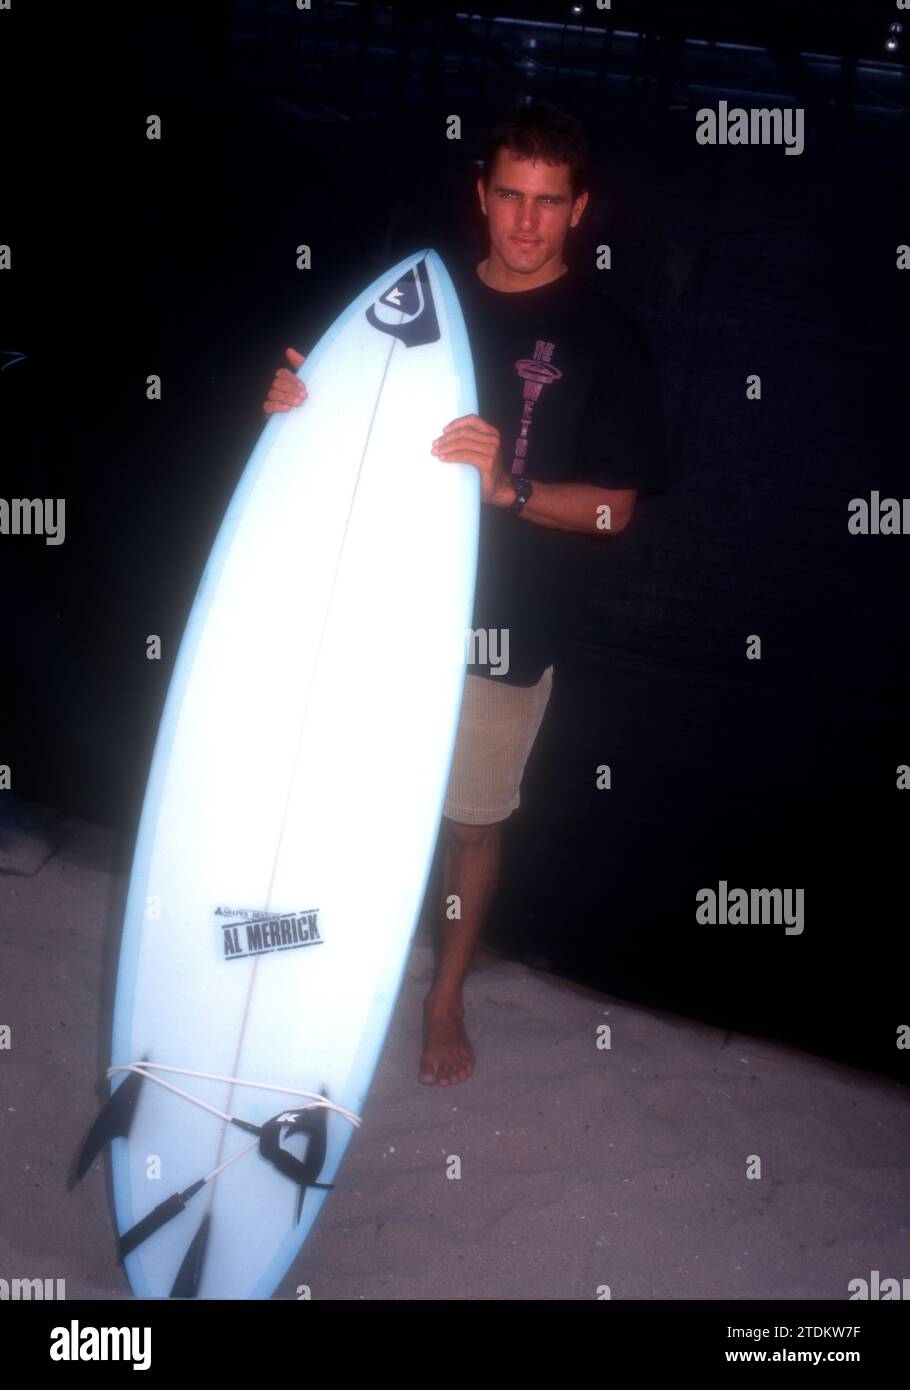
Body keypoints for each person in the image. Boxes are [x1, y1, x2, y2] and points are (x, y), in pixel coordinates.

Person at [263, 102, 669, 1089]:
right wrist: (294, 406)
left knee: (471, 825)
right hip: (375, 605)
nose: (527, 221)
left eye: (549, 202)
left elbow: (615, 511)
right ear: (480, 196)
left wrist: (507, 491)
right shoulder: (411, 299)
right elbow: (335, 426)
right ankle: (313, 970)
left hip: (506, 629)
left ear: (579, 209)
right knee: (336, 797)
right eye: (510, 196)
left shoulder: (608, 339)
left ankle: (443, 994)